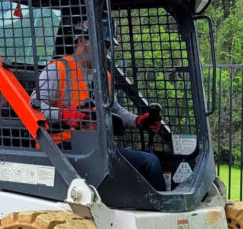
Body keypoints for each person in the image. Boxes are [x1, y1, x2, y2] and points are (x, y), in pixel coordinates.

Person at [32, 19, 167, 190]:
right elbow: (33, 106)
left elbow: (115, 109)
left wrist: (138, 121)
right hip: (62, 149)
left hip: (97, 148)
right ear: (81, 40)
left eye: (107, 46)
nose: (104, 51)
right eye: (101, 44)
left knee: (150, 163)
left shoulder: (104, 76)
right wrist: (63, 114)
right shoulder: (56, 70)